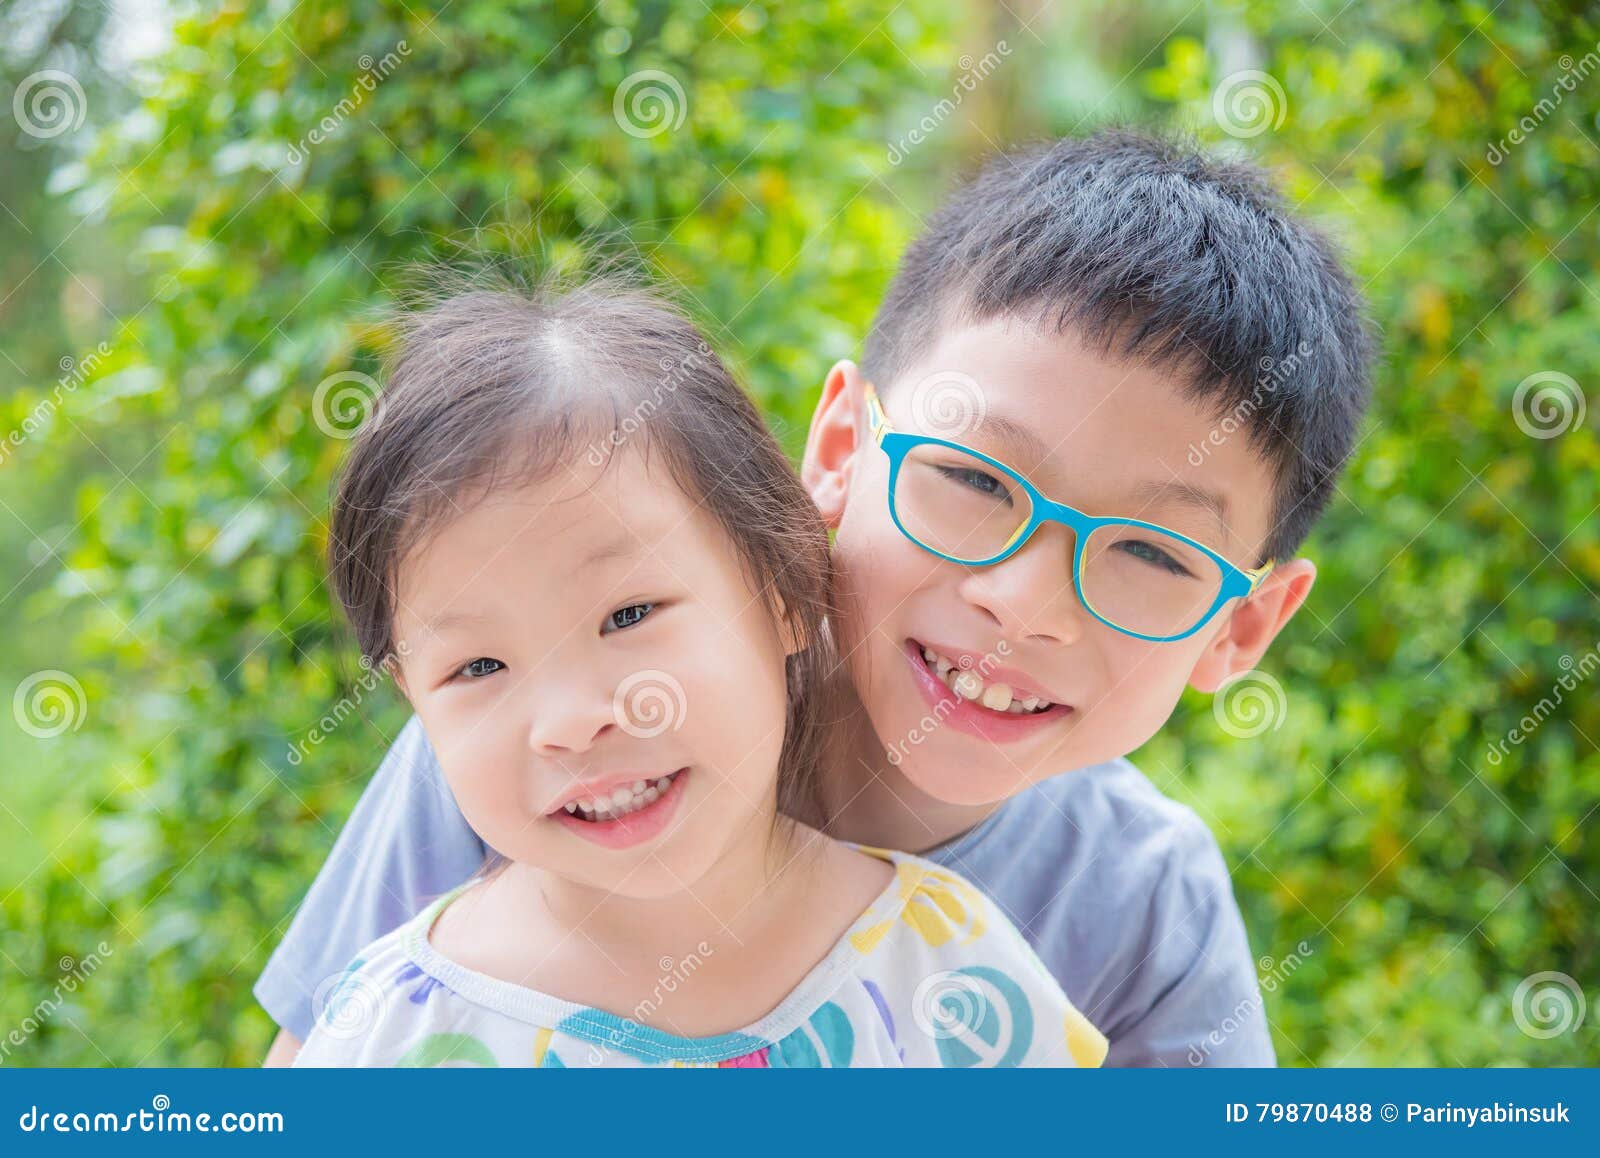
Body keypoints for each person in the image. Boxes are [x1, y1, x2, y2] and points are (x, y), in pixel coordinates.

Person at [263, 129, 1375, 1067]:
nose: (1025, 604)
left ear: (1239, 628)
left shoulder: (1141, 908)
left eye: (1153, 553)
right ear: (841, 447)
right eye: (977, 480)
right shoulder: (551, 729)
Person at [291, 275, 1107, 1067]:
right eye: (478, 666)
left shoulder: (954, 972)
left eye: (630, 616)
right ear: (413, 698)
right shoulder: (390, 1037)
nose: (573, 718)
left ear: (785, 587)